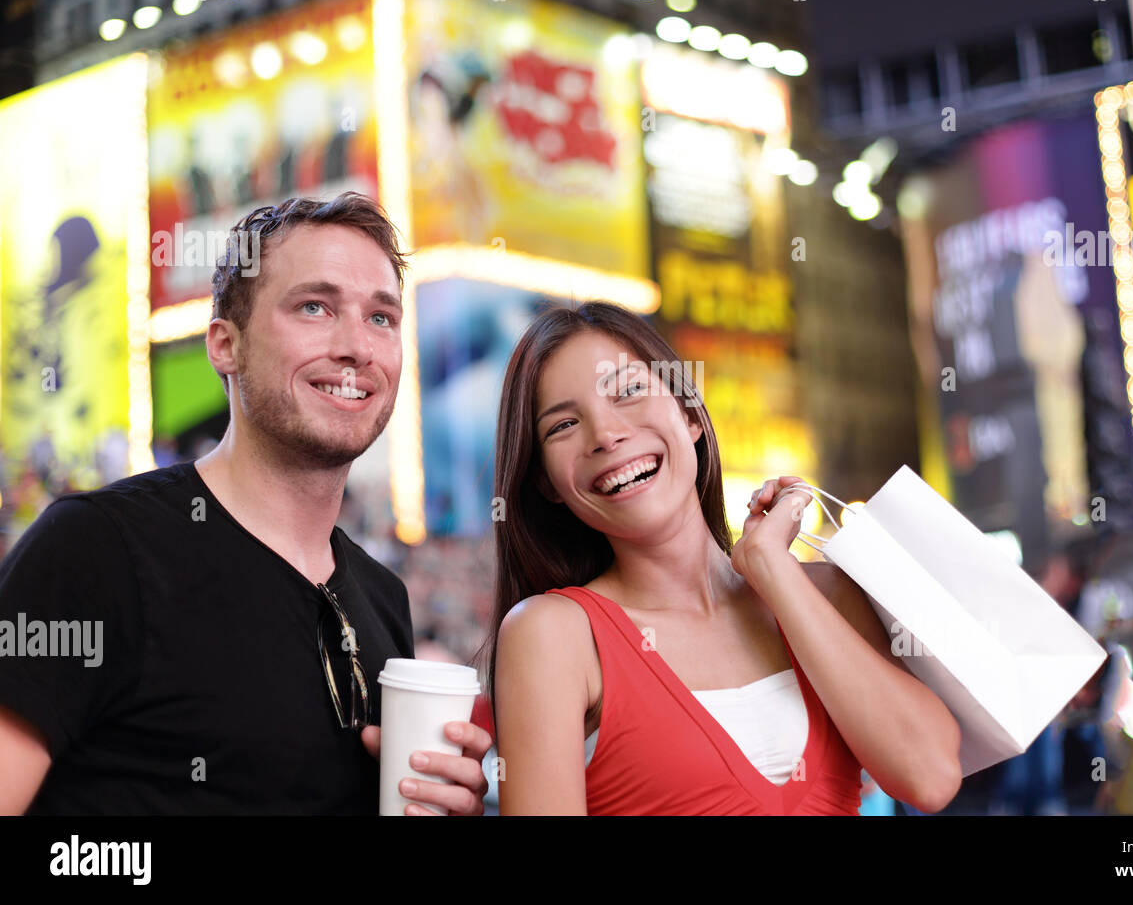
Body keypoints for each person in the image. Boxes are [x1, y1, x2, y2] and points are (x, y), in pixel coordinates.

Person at [0, 192, 491, 815]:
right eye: (315, 307)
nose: (357, 347)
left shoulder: (381, 597)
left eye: (381, 318)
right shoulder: (97, 548)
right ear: (225, 346)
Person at [484, 301, 962, 814]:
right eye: (563, 426)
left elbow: (930, 777)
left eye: (628, 392)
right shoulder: (552, 634)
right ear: (547, 484)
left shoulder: (824, 594)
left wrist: (772, 568)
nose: (605, 435)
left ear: (689, 414)